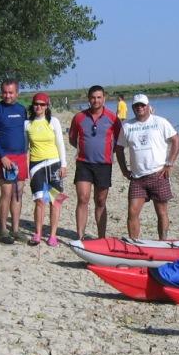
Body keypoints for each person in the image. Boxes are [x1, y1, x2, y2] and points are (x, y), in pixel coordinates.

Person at [115, 94, 179, 240]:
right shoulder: (127, 126)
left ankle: (163, 241)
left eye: (142, 105)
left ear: (148, 106)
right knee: (132, 213)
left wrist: (169, 163)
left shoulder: (160, 122)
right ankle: (134, 242)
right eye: (137, 106)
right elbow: (119, 148)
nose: (140, 108)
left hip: (158, 175)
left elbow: (176, 140)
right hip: (137, 178)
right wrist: (124, 170)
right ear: (132, 108)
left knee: (162, 212)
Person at [68, 84, 122, 241]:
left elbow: (119, 141)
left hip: (104, 164)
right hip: (84, 163)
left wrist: (107, 151)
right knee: (83, 198)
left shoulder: (113, 118)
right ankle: (80, 236)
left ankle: (101, 238)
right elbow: (72, 139)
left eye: (99, 97)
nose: (96, 100)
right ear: (88, 99)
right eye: (93, 97)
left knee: (100, 201)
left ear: (104, 98)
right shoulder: (79, 117)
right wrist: (83, 148)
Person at [0, 79, 28, 244]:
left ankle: (15, 229)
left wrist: (27, 153)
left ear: (17, 93)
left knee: (18, 193)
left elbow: (26, 132)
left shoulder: (21, 109)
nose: (7, 95)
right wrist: (2, 156)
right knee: (7, 193)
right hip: (5, 157)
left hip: (21, 156)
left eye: (11, 92)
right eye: (5, 92)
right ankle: (3, 229)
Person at [25, 93, 67, 246]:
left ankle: (53, 235)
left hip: (54, 164)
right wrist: (25, 168)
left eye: (42, 104)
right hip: (36, 166)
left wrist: (64, 164)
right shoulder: (27, 124)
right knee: (40, 201)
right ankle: (38, 233)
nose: (39, 107)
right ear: (33, 105)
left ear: (47, 106)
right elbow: (25, 148)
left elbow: (60, 144)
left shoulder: (53, 121)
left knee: (55, 201)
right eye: (36, 104)